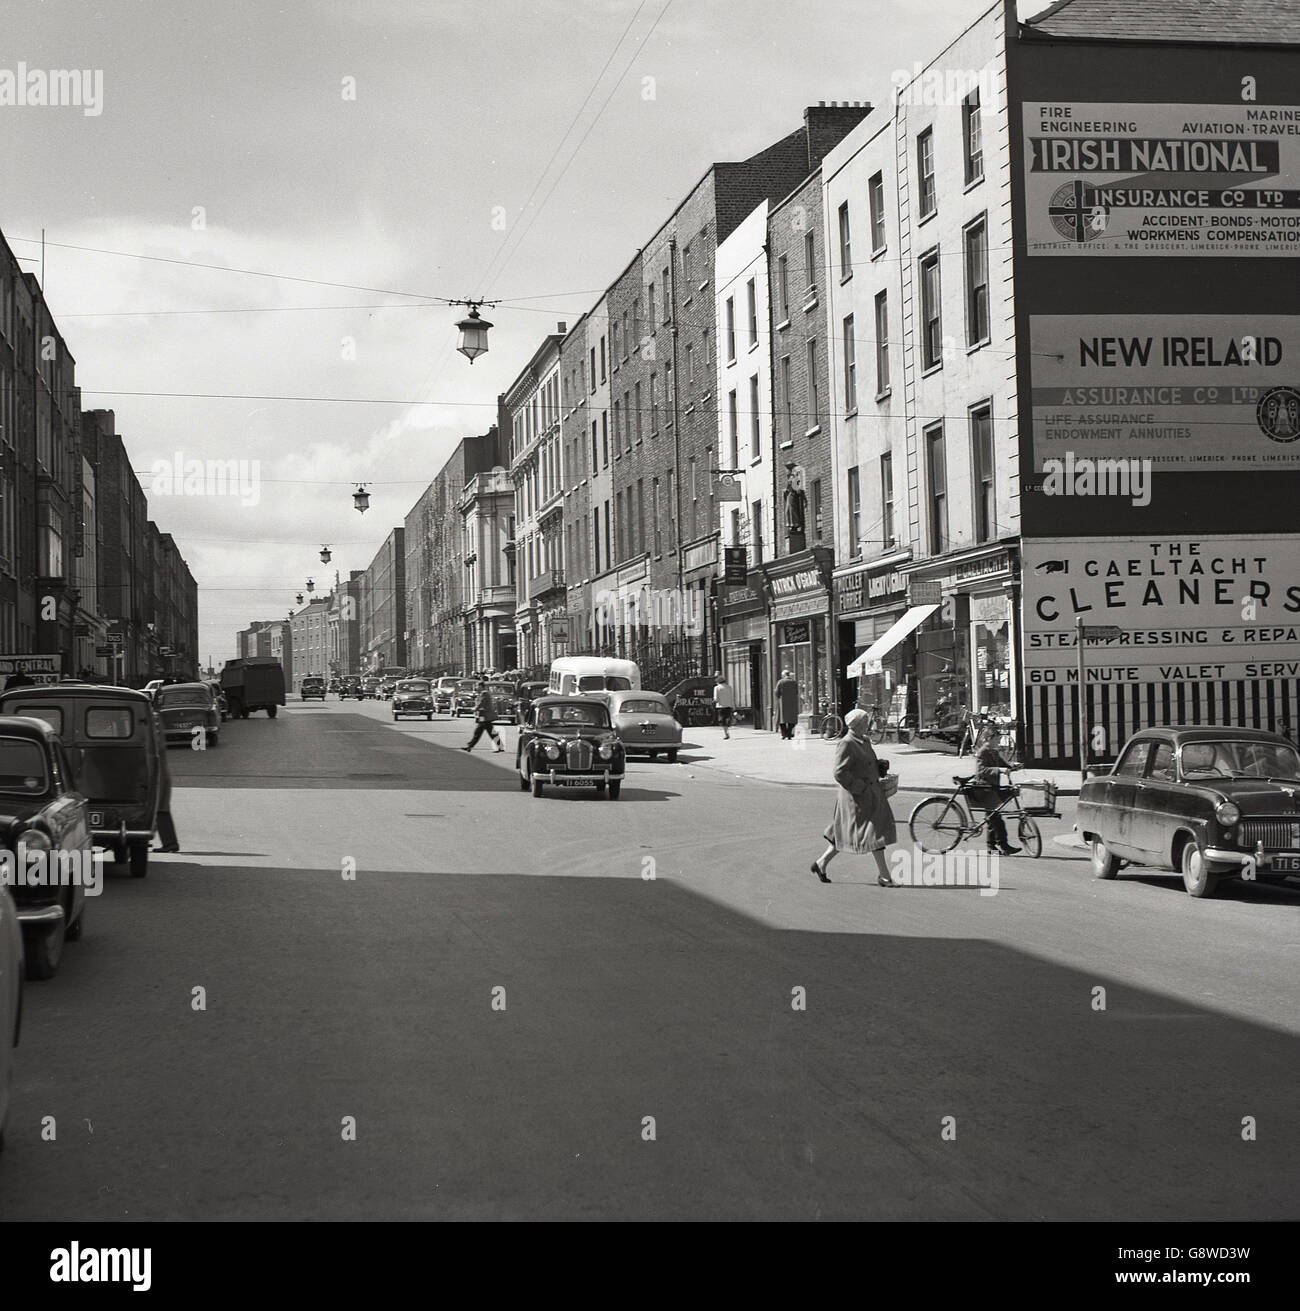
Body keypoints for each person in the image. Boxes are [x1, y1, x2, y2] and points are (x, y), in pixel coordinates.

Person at [811, 708, 898, 886]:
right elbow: (839, 772)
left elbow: (866, 763)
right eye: (865, 722)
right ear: (856, 725)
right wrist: (860, 787)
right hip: (857, 799)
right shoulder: (847, 743)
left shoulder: (864, 741)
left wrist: (879, 766)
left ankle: (821, 863)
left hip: (870, 795)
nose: (868, 725)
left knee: (845, 833)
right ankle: (885, 877)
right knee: (875, 833)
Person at [973, 734, 1020, 856]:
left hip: (992, 787)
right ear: (988, 739)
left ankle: (991, 846)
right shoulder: (982, 752)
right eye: (996, 739)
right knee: (996, 819)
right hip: (984, 788)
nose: (997, 742)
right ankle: (1003, 845)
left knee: (992, 817)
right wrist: (999, 770)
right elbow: (981, 771)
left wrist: (1013, 766)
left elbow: (1002, 764)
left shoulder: (993, 752)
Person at [462, 679, 504, 752]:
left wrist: (475, 708)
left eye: (477, 686)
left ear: (481, 686)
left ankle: (470, 746)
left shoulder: (484, 693)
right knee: (486, 732)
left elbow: (482, 703)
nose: (476, 688)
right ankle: (470, 746)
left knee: (479, 732)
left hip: (485, 716)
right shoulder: (484, 693)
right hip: (484, 716)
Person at [775, 669, 799, 740]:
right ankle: (789, 733)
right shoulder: (794, 682)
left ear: (784, 675)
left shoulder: (780, 682)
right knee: (791, 719)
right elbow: (796, 692)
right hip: (792, 703)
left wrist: (779, 697)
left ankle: (784, 734)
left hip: (783, 703)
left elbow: (777, 692)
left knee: (782, 719)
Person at [712, 675, 735, 739]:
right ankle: (727, 729)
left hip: (721, 706)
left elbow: (716, 699)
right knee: (727, 718)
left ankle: (726, 733)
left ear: (718, 682)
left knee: (723, 720)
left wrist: (713, 702)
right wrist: (733, 705)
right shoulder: (729, 687)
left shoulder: (716, 688)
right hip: (728, 705)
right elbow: (732, 697)